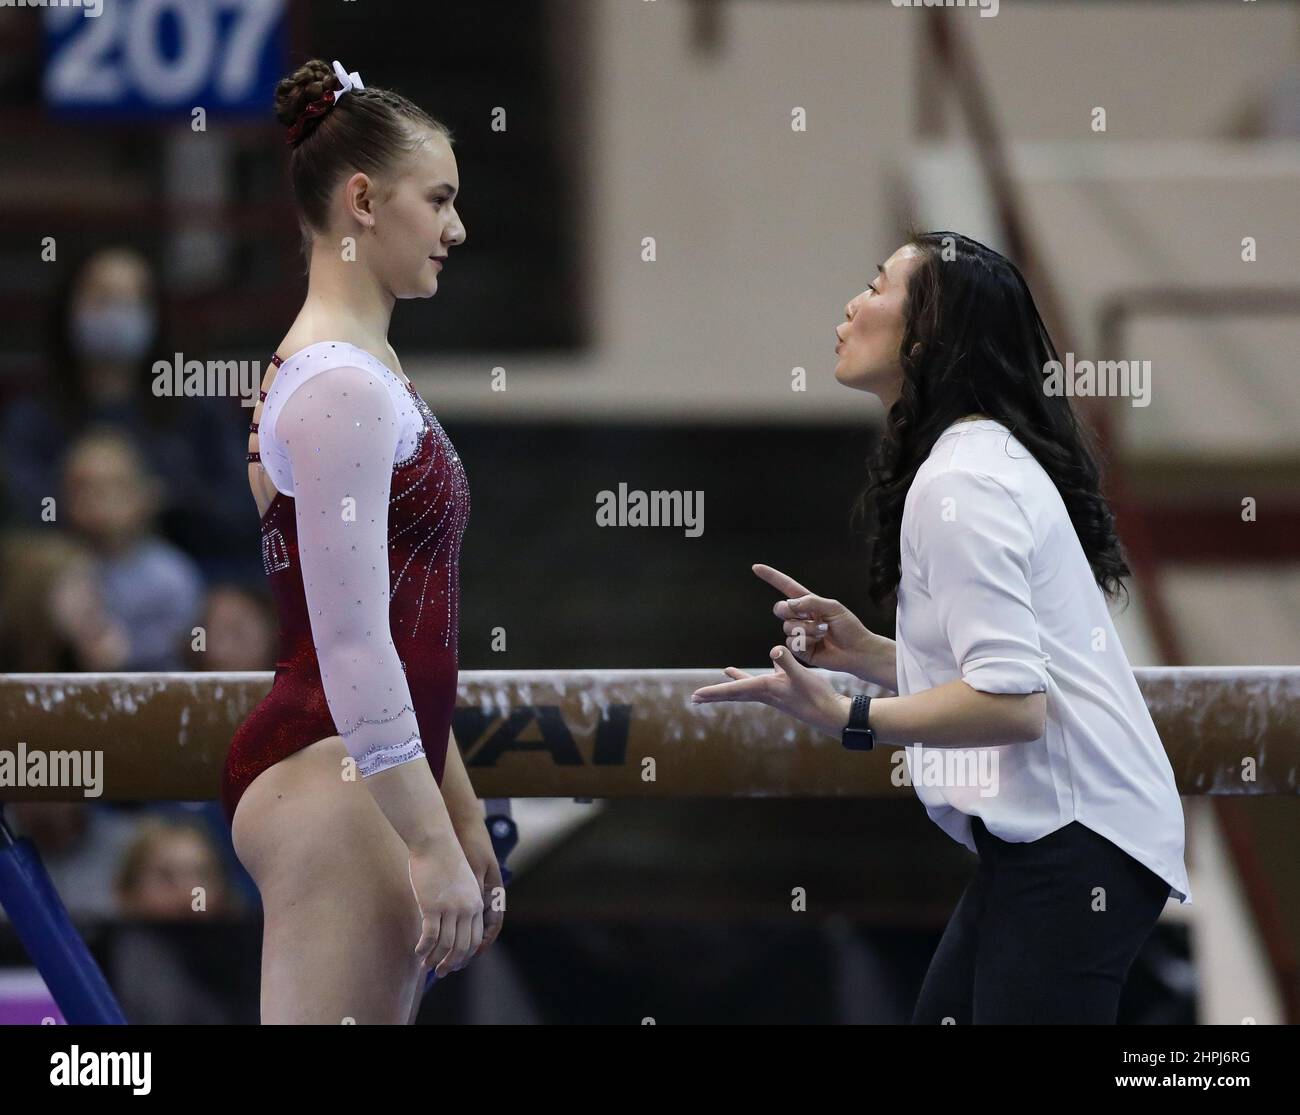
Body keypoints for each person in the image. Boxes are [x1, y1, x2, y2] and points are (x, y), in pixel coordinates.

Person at [692, 231, 1191, 1025]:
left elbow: (1013, 703)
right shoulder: (967, 462)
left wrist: (848, 715)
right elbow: (1010, 675)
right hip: (1055, 838)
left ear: (926, 335)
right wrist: (873, 655)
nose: (852, 304)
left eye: (876, 286)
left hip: (1078, 838)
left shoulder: (962, 480)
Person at [222, 59, 503, 1024]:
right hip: (336, 775)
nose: (456, 229)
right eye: (439, 199)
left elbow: (397, 632)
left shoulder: (356, 369)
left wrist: (456, 814)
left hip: (366, 767)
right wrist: (427, 841)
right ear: (362, 200)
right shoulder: (338, 386)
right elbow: (352, 644)